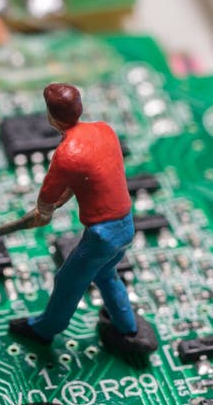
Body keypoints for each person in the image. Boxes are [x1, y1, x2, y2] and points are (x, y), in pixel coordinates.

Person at [9, 83, 157, 357]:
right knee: (106, 275)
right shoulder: (104, 130)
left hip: (102, 235)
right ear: (80, 109)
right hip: (126, 225)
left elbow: (48, 195)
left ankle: (43, 330)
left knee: (67, 282)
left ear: (51, 117)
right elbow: (97, 174)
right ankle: (128, 328)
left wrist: (43, 211)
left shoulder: (67, 155)